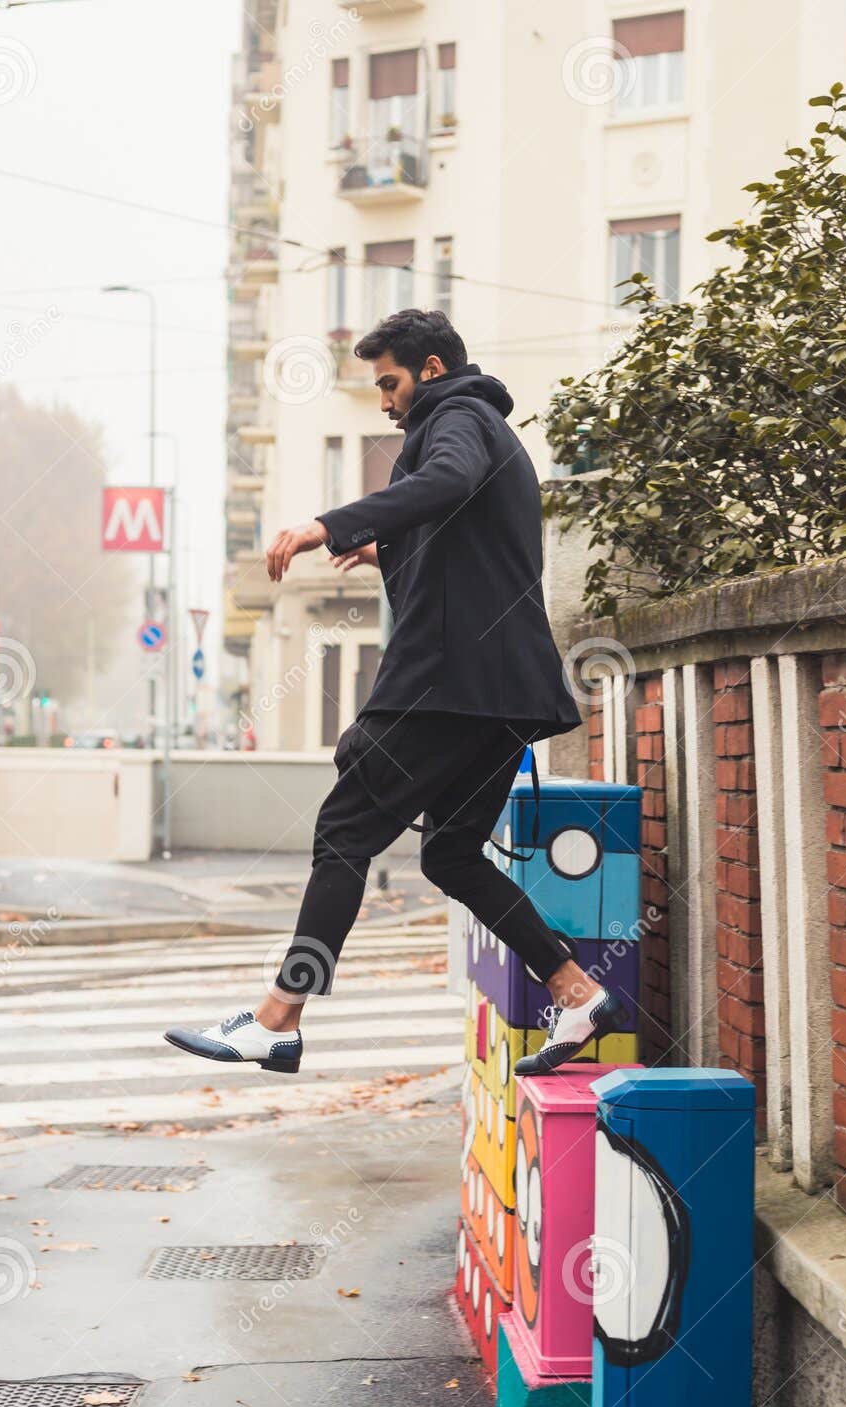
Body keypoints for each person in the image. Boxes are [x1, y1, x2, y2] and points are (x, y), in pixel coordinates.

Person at [165, 309, 628, 1079]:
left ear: (431, 369)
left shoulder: (457, 416)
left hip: (450, 684)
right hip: (500, 692)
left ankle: (279, 1016)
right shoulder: (487, 429)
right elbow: (473, 550)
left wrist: (328, 525)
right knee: (450, 854)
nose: (385, 403)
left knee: (344, 832)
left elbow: (445, 482)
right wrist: (386, 550)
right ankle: (575, 991)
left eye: (389, 384)